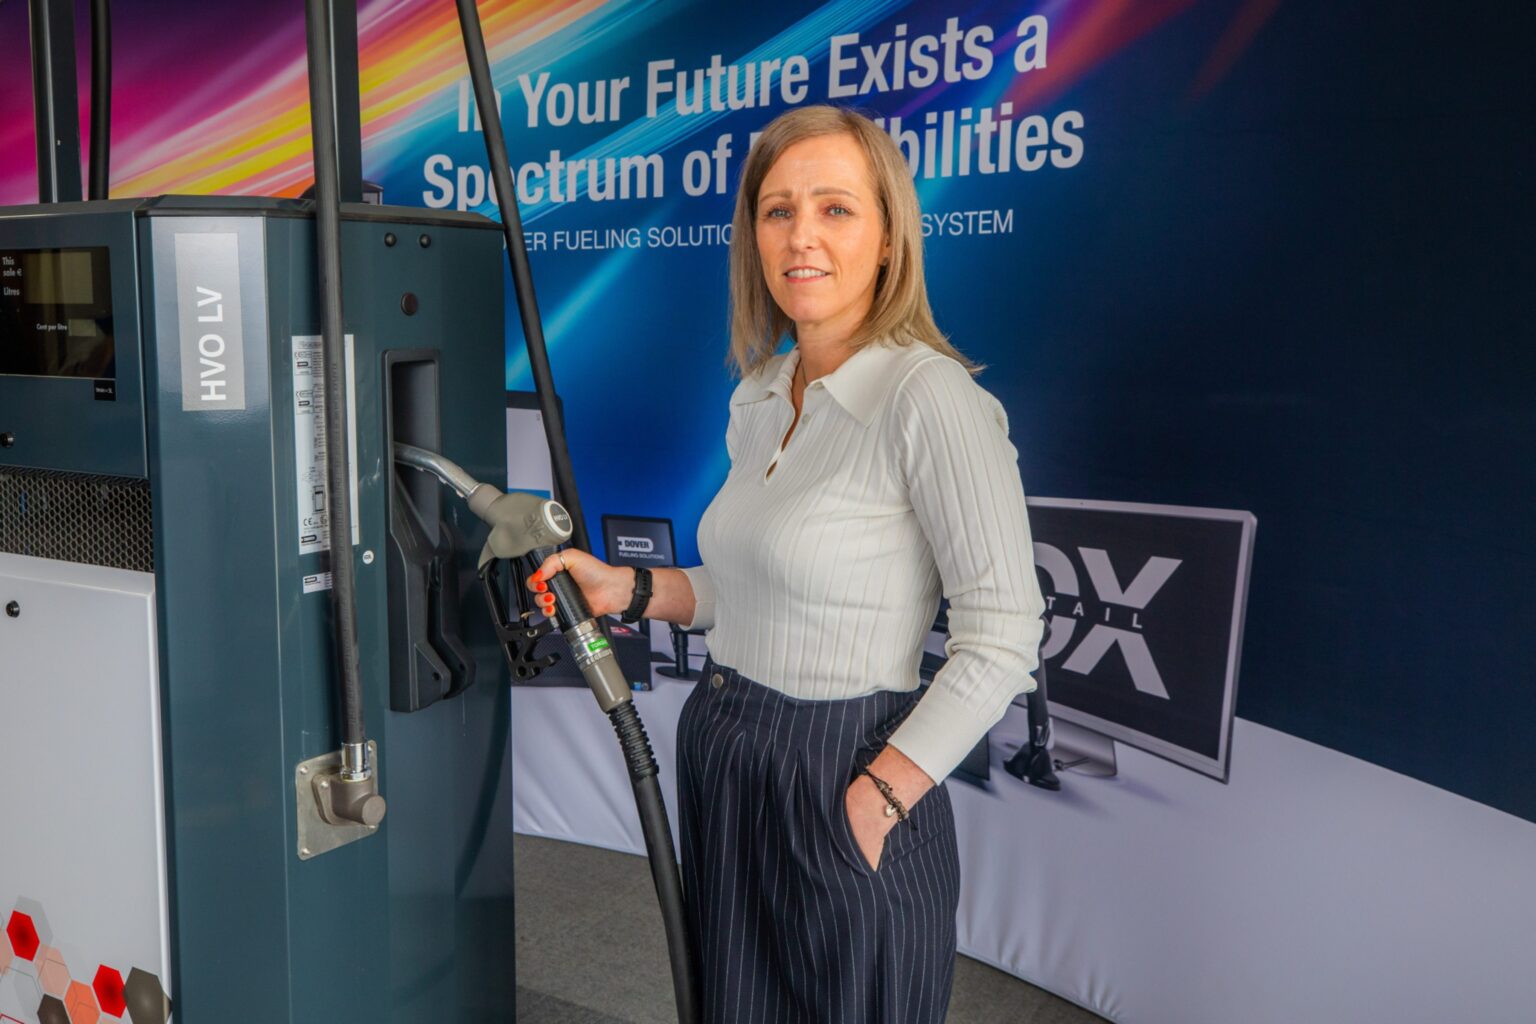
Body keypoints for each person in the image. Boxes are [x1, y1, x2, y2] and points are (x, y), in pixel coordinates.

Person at [527, 105, 1044, 1024]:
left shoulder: (932, 400)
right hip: (727, 752)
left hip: (847, 764)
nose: (801, 236)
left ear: (889, 239)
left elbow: (1004, 635)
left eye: (836, 209)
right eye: (777, 211)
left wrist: (878, 800)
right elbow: (754, 589)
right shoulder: (763, 393)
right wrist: (631, 590)